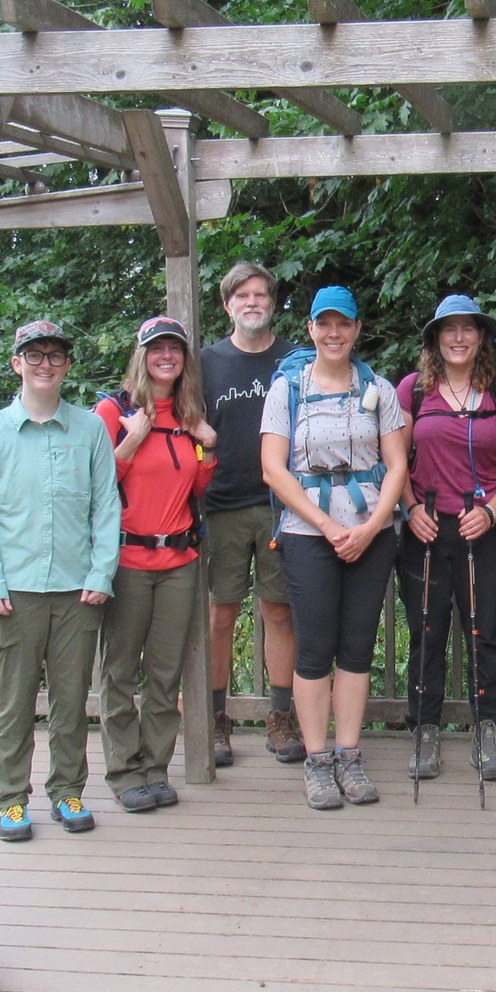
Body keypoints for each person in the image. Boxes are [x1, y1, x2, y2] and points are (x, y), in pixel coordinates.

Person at [260, 286, 409, 809]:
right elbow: (273, 468)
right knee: (315, 647)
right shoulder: (287, 389)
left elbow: (397, 465)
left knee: (356, 646)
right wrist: (326, 524)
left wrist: (370, 529)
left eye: (342, 324)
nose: (333, 333)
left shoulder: (379, 388)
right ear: (310, 329)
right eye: (324, 324)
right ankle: (318, 760)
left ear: (356, 328)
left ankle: (349, 753)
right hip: (308, 534)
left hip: (371, 533)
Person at [0, 320, 121, 842]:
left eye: (55, 356)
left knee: (71, 700)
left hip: (78, 591)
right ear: (16, 364)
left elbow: (107, 506)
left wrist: (102, 571)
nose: (44, 365)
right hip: (13, 594)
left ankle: (67, 791)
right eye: (33, 356)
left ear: (67, 366)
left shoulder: (90, 430)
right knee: (12, 703)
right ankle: (12, 800)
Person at [395, 295, 496, 783]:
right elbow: (393, 460)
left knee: (485, 632)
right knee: (426, 631)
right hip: (426, 529)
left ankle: (487, 728)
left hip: (485, 529)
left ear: (482, 337)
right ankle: (424, 729)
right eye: (448, 329)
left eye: (468, 329)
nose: (458, 338)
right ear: (435, 338)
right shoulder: (413, 391)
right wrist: (410, 508)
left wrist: (494, 510)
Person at [93, 316, 217, 813]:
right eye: (156, 348)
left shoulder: (189, 414)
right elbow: (93, 483)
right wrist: (131, 440)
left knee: (165, 673)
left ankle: (155, 768)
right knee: (121, 671)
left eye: (175, 348)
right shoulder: (114, 409)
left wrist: (208, 444)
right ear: (141, 355)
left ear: (184, 358)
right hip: (127, 558)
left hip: (180, 559)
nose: (166, 356)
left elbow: (199, 485)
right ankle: (124, 772)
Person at [198, 261, 303, 766]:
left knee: (279, 612)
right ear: (227, 305)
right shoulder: (205, 363)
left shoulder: (294, 359)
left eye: (261, 294)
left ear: (273, 303)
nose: (252, 302)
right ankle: (216, 721)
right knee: (220, 615)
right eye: (242, 296)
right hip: (220, 505)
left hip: (282, 507)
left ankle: (281, 718)